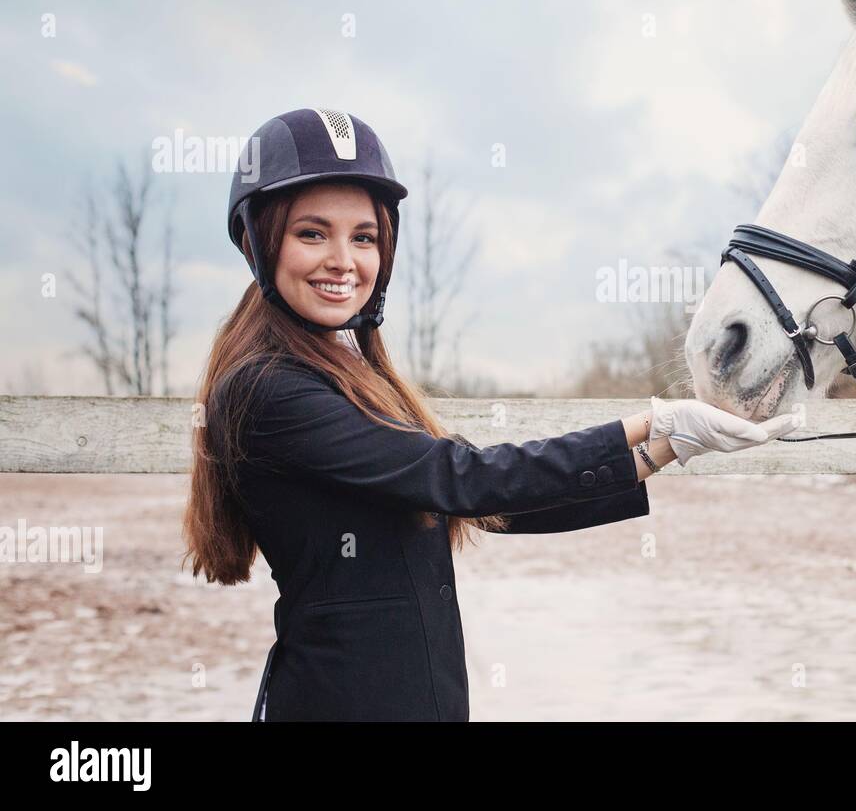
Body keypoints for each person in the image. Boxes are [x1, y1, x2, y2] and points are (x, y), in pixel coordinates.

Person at [182, 108, 796, 721]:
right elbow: (465, 478)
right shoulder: (268, 390)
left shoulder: (350, 378)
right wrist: (652, 423)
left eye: (363, 237)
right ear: (260, 242)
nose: (344, 260)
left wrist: (668, 448)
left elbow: (488, 504)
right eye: (313, 234)